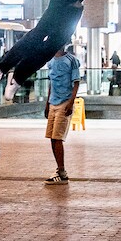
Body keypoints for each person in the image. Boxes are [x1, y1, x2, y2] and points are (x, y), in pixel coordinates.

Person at [43, 45, 81, 185]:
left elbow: (76, 82)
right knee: (52, 137)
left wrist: (71, 103)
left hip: (64, 103)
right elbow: (51, 83)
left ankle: (62, 172)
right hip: (53, 103)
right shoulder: (51, 60)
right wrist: (47, 103)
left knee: (57, 138)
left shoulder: (71, 60)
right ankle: (60, 170)